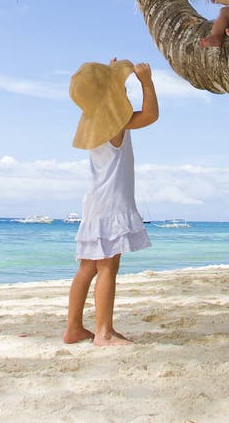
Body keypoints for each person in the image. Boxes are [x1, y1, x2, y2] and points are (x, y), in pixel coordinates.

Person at [63, 59, 158, 347]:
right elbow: (150, 115)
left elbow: (107, 97)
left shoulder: (96, 128)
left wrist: (110, 75)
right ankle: (103, 333)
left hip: (95, 203)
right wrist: (146, 82)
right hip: (112, 205)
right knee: (108, 267)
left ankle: (73, 328)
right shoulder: (118, 126)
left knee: (87, 268)